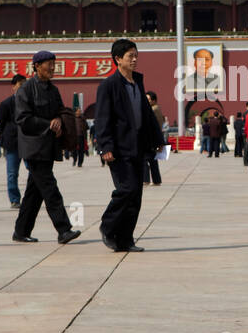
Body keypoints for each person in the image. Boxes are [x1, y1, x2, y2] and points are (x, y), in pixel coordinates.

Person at [94, 39, 164, 252]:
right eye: (130, 56)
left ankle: (125, 239)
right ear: (117, 59)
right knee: (126, 190)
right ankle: (108, 226)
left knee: (136, 196)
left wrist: (159, 141)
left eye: (136, 55)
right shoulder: (109, 85)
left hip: (139, 147)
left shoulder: (137, 83)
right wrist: (105, 146)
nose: (134, 59)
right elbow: (102, 118)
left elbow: (147, 116)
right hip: (118, 148)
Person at [12, 51, 80, 244]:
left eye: (53, 64)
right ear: (36, 66)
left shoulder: (53, 90)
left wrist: (59, 119)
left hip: (48, 147)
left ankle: (21, 231)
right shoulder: (25, 90)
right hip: (33, 148)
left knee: (34, 192)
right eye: (48, 64)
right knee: (50, 188)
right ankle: (64, 229)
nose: (52, 68)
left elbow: (59, 111)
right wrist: (48, 124)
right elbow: (22, 119)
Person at [0, 74, 26, 208]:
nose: (23, 88)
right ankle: (14, 199)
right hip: (12, 143)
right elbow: (1, 125)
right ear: (13, 87)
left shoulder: (31, 103)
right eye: (20, 85)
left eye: (25, 85)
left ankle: (33, 198)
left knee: (33, 170)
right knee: (12, 173)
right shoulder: (5, 104)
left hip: (28, 142)